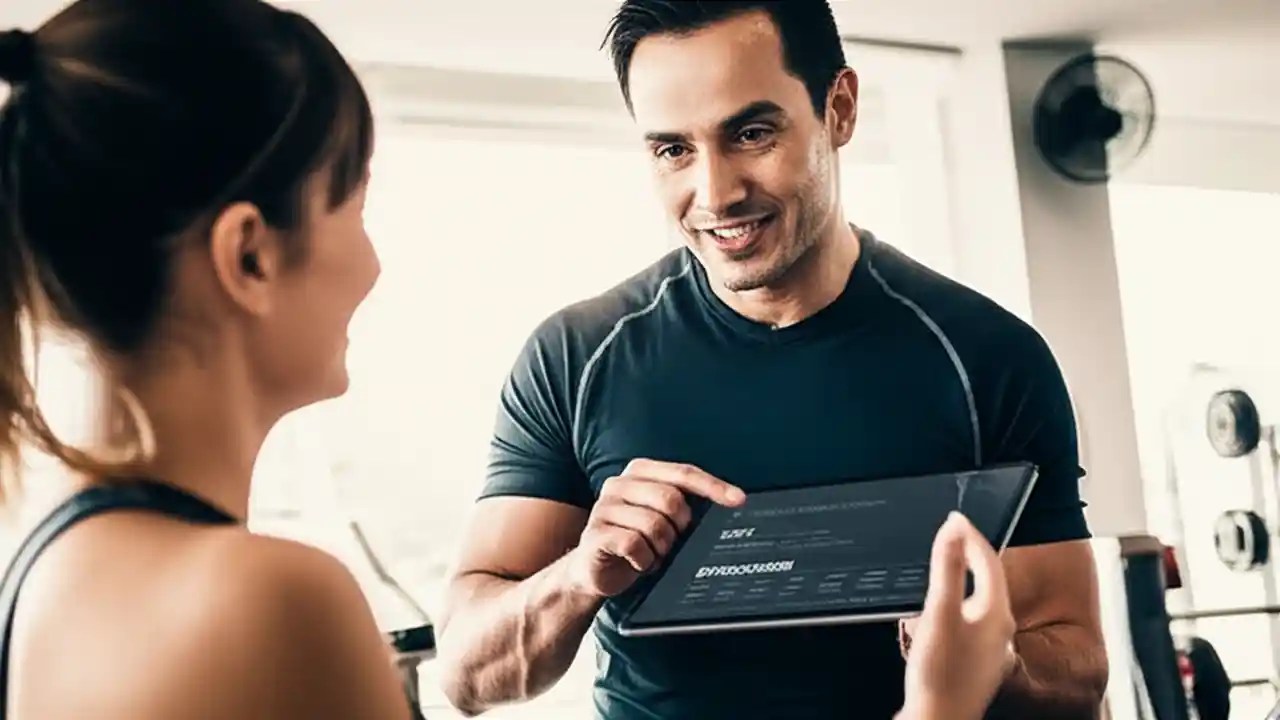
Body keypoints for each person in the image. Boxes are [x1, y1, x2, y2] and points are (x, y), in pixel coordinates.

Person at [436, 1, 1109, 718]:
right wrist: (577, 578)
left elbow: (1078, 668)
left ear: (838, 110)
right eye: (673, 150)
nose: (716, 194)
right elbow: (466, 676)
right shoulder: (574, 359)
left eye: (751, 133)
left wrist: (996, 665)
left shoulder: (989, 359)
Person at [0, 2, 413, 717]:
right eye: (354, 207)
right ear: (249, 256)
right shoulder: (275, 601)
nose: (374, 267)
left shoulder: (45, 570)